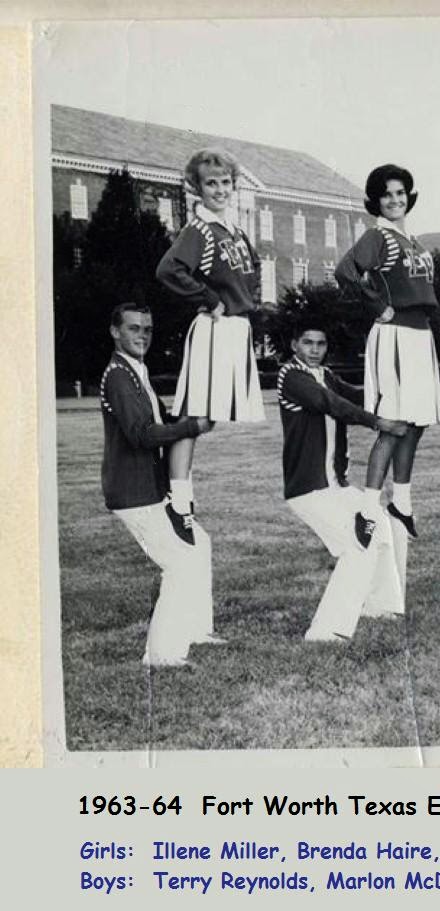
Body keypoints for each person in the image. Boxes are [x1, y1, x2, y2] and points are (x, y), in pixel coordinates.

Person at [99, 302, 219, 667]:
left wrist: (185, 418)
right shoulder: (118, 374)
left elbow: (157, 418)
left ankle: (197, 629)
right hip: (133, 492)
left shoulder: (136, 369)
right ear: (115, 332)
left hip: (149, 487)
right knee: (180, 562)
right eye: (134, 329)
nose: (142, 336)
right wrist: (189, 428)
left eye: (147, 329)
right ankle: (161, 655)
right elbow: (142, 435)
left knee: (199, 545)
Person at [155, 147, 264, 545]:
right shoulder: (198, 230)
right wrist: (209, 299)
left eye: (224, 183)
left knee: (208, 419)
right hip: (215, 328)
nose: (219, 189)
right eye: (210, 183)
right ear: (196, 188)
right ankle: (178, 499)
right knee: (194, 416)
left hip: (236, 329)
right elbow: (169, 270)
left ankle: (176, 492)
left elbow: (246, 277)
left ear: (233, 187)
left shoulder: (233, 231)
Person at [277, 319, 409, 640]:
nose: (314, 350)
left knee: (379, 524)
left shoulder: (325, 375)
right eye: (308, 343)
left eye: (321, 344)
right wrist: (378, 422)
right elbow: (330, 404)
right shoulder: (291, 376)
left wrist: (394, 390)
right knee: (357, 543)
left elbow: (357, 396)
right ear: (294, 344)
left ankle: (381, 606)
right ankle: (326, 631)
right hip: (309, 488)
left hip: (336, 486)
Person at [335, 164, 440, 550]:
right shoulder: (378, 235)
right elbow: (346, 271)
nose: (395, 200)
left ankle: (402, 501)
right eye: (387, 195)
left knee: (417, 422)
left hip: (419, 335)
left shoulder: (412, 239)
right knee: (394, 423)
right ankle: (368, 508)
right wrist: (377, 307)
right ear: (376, 201)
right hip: (394, 334)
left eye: (401, 193)